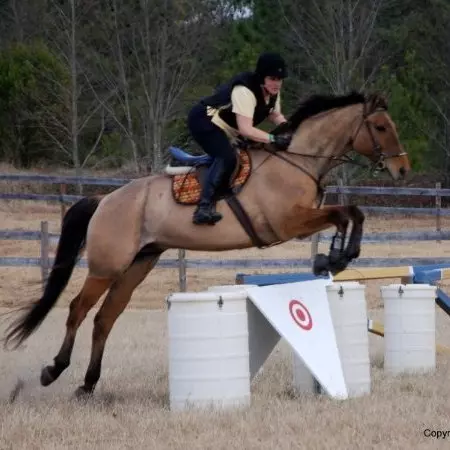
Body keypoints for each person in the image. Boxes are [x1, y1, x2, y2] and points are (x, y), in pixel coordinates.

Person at [187, 51, 292, 226]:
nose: (277, 84)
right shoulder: (244, 91)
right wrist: (273, 138)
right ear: (262, 77)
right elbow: (245, 129)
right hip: (204, 121)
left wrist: (291, 128)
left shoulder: (273, 92)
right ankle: (203, 208)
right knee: (226, 157)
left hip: (225, 127)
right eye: (273, 78)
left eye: (280, 79)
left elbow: (274, 115)